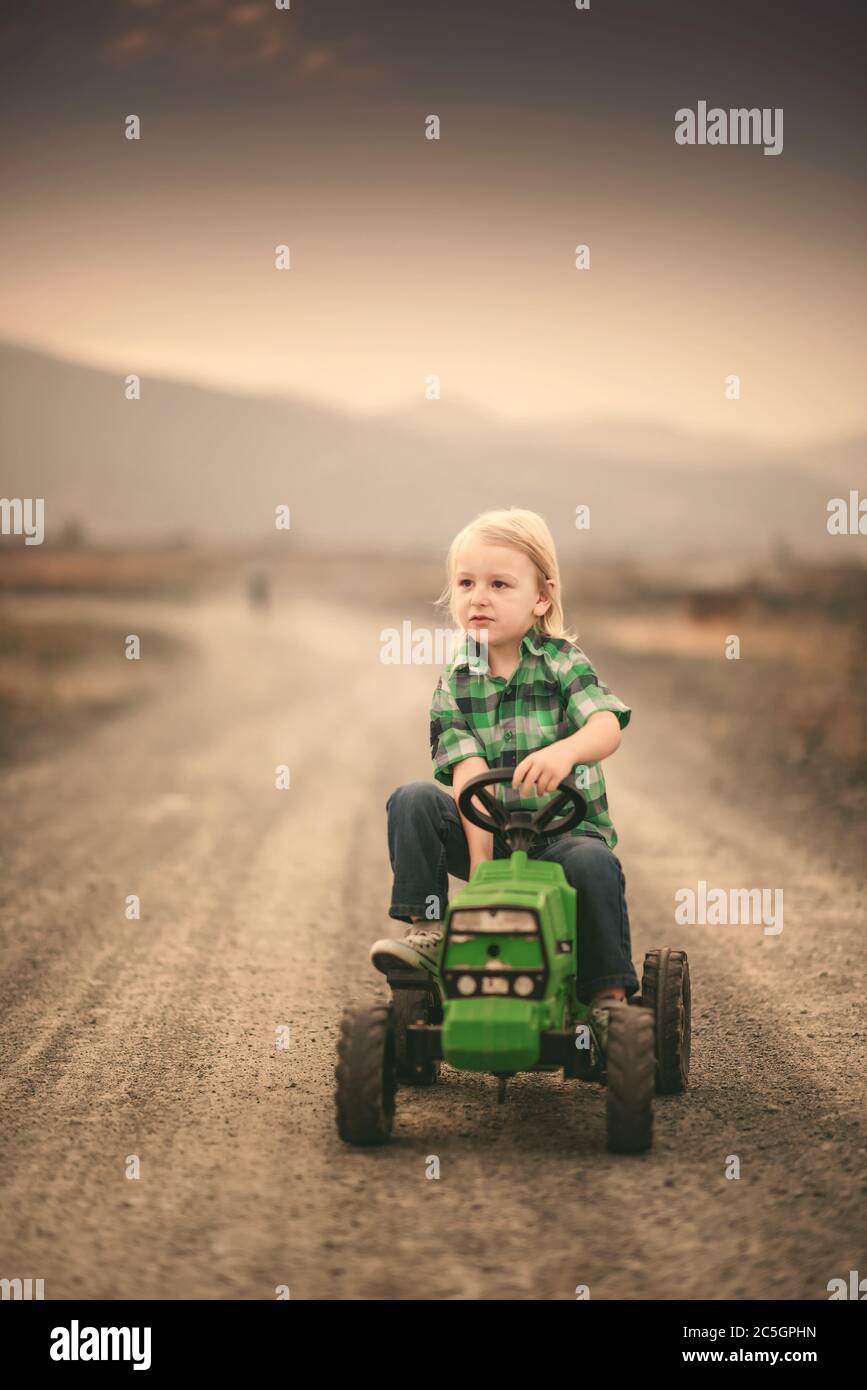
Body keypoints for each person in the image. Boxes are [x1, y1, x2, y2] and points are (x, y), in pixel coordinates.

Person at [369, 506, 640, 1055]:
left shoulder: (562, 663)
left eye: (499, 584)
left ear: (540, 598)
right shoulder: (455, 682)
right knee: (414, 798)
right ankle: (428, 932)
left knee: (595, 863)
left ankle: (608, 997)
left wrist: (567, 752)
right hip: (488, 839)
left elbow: (607, 725)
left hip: (564, 842)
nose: (479, 597)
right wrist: (487, 875)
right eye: (466, 583)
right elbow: (469, 775)